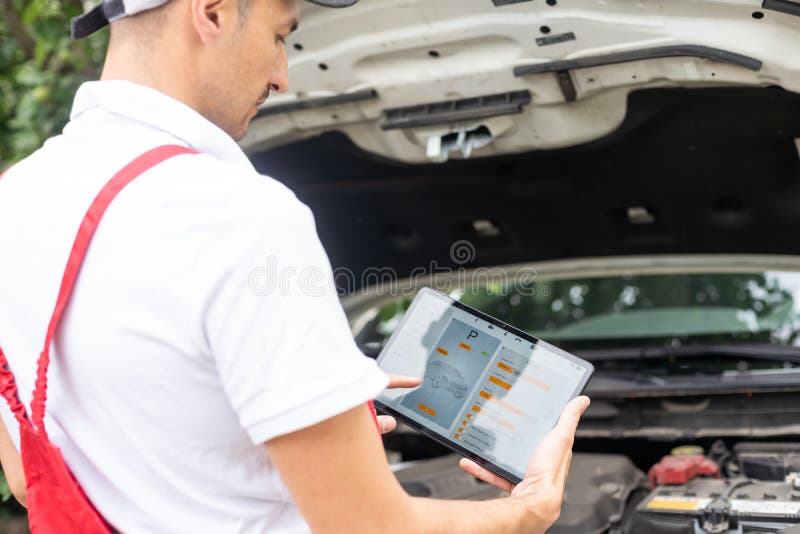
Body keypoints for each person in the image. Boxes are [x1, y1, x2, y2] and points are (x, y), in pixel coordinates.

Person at [0, 0, 590, 532]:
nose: (283, 76)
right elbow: (370, 529)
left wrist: (290, 430)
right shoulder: (240, 213)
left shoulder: (15, 202)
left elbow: (33, 477)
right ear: (212, 12)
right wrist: (529, 508)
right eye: (282, 36)